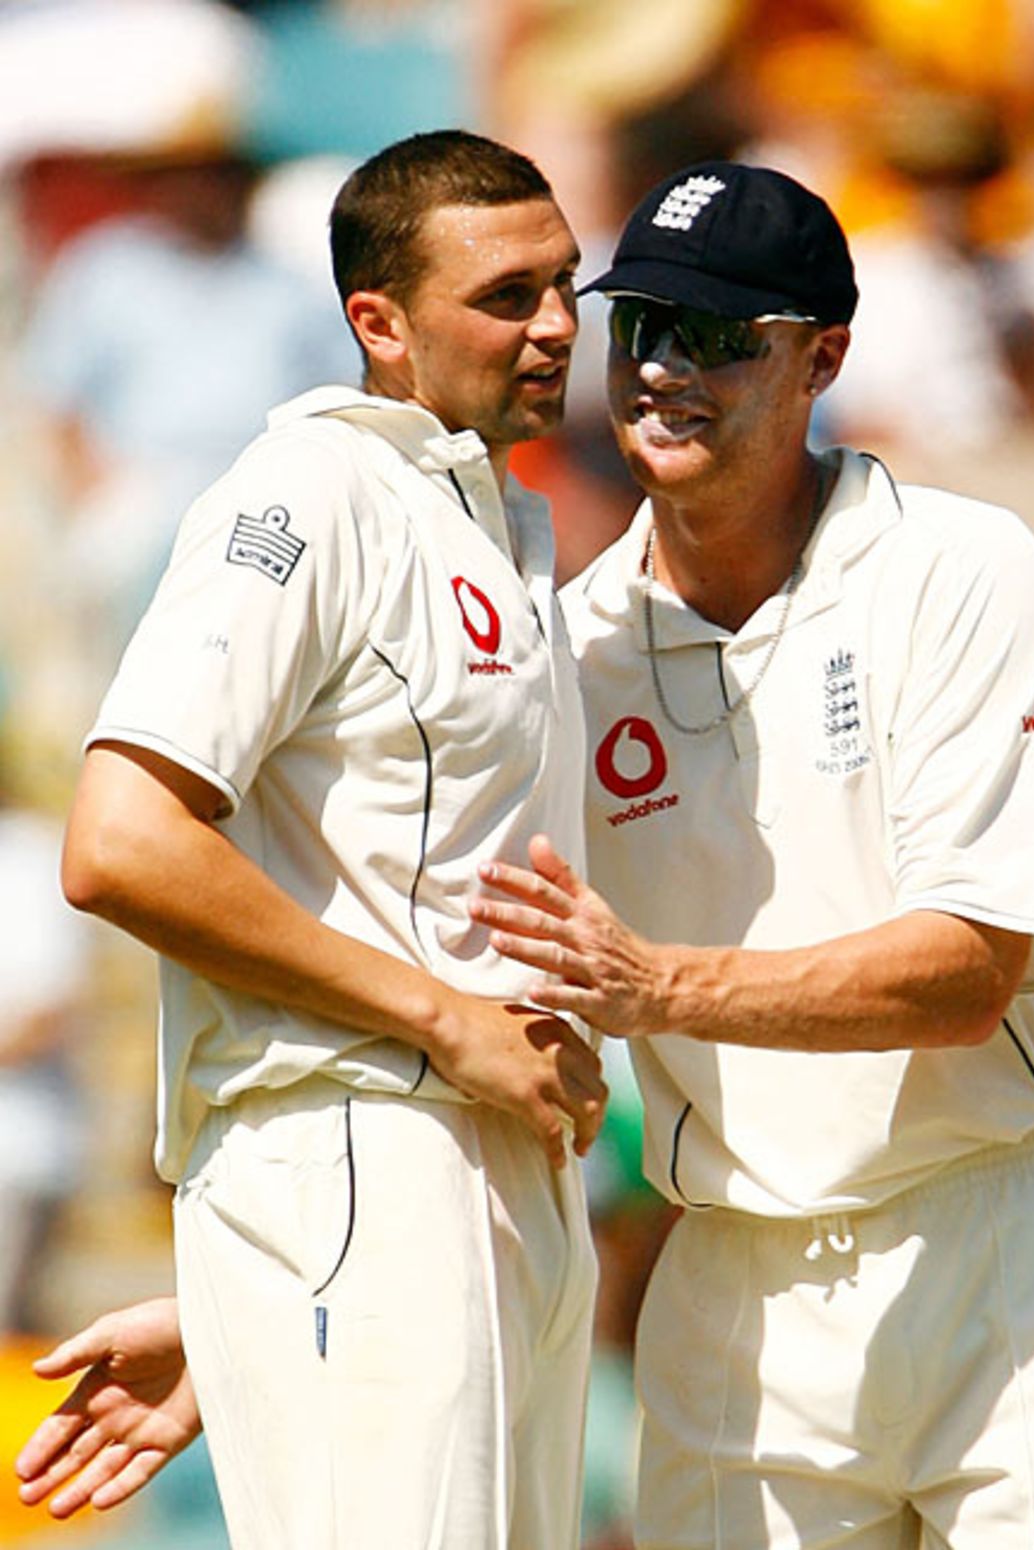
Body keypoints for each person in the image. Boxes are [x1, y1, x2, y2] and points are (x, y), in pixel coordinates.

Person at [20, 159, 1034, 1546]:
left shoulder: (958, 570)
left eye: (711, 337)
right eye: (639, 325)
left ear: (822, 354)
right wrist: (259, 1310)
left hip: (1015, 1238)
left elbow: (969, 970)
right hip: (738, 1293)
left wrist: (657, 990)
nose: (654, 371)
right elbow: (459, 992)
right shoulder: (562, 647)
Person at [23, 128, 608, 1550]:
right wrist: (444, 1022)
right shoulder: (308, 492)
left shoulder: (486, 518)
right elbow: (120, 839)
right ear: (378, 325)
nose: (553, 328)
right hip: (370, 1140)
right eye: (505, 296)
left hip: (478, 1164)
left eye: (564, 286)